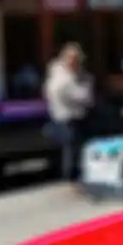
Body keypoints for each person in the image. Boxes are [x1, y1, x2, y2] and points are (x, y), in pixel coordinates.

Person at [44, 43, 94, 184]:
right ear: (66, 59)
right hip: (65, 115)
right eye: (72, 59)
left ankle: (75, 172)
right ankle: (70, 175)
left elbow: (86, 96)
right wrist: (84, 94)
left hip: (77, 114)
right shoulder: (61, 76)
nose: (75, 62)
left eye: (77, 59)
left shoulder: (77, 74)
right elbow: (79, 95)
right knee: (70, 147)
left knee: (75, 146)